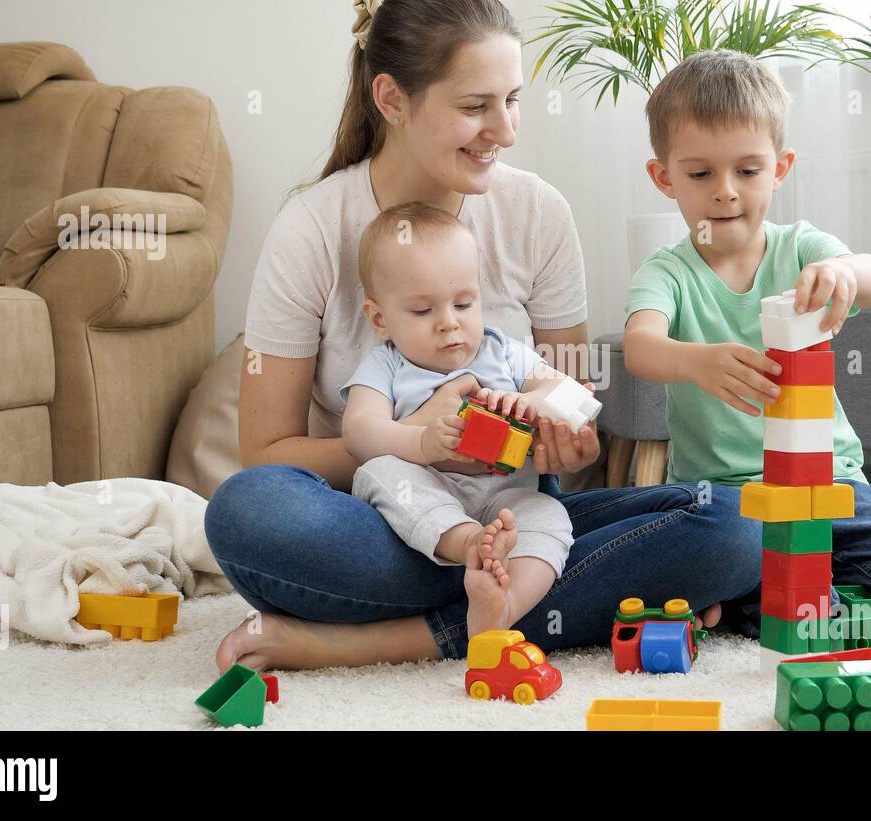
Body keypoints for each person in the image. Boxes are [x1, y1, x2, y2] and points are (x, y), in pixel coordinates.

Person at [204, 0, 756, 673]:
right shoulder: (313, 227)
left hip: (514, 514)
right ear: (392, 98)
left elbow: (569, 414)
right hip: (383, 524)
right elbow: (266, 456)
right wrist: (424, 440)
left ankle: (384, 638)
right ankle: (576, 596)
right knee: (247, 512)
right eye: (475, 106)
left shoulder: (538, 213)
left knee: (733, 523)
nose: (504, 130)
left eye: (513, 101)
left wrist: (569, 442)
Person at [621, 49, 871, 629]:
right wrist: (695, 362)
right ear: (664, 178)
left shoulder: (801, 246)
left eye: (747, 170)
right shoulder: (667, 272)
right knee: (731, 547)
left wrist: (846, 273)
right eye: (700, 174)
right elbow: (640, 346)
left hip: (833, 487)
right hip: (729, 503)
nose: (726, 192)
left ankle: (779, 594)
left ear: (780, 168)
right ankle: (776, 590)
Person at [341, 202, 579, 637]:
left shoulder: (501, 350)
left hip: (508, 498)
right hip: (428, 492)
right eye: (422, 311)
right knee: (379, 471)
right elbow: (358, 431)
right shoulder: (386, 365)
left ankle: (502, 607)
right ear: (379, 318)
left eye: (464, 303)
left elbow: (569, 391)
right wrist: (422, 443)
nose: (449, 324)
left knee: (550, 515)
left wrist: (530, 402)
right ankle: (469, 543)